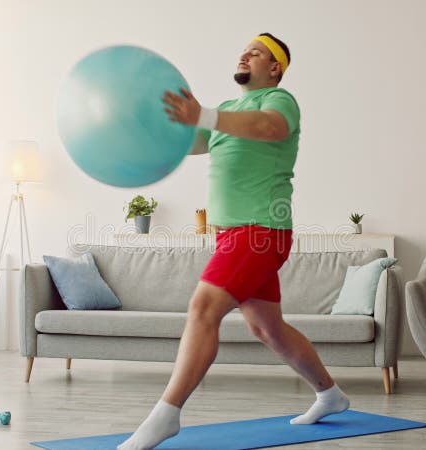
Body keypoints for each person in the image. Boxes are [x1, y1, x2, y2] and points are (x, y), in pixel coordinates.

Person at [117, 33, 349, 450]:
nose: (245, 54)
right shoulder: (225, 112)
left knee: (202, 307)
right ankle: (330, 395)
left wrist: (203, 114)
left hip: (259, 230)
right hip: (232, 235)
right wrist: (143, 131)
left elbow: (268, 128)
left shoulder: (278, 102)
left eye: (256, 52)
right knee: (267, 328)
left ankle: (166, 415)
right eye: (244, 50)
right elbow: (187, 143)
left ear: (274, 68)